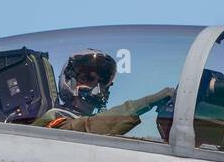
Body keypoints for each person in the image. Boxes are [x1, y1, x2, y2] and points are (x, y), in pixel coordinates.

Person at [33, 49, 174, 137]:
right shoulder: (54, 122)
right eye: (88, 78)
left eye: (102, 82)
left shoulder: (104, 127)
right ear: (69, 80)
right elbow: (87, 128)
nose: (97, 87)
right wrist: (147, 102)